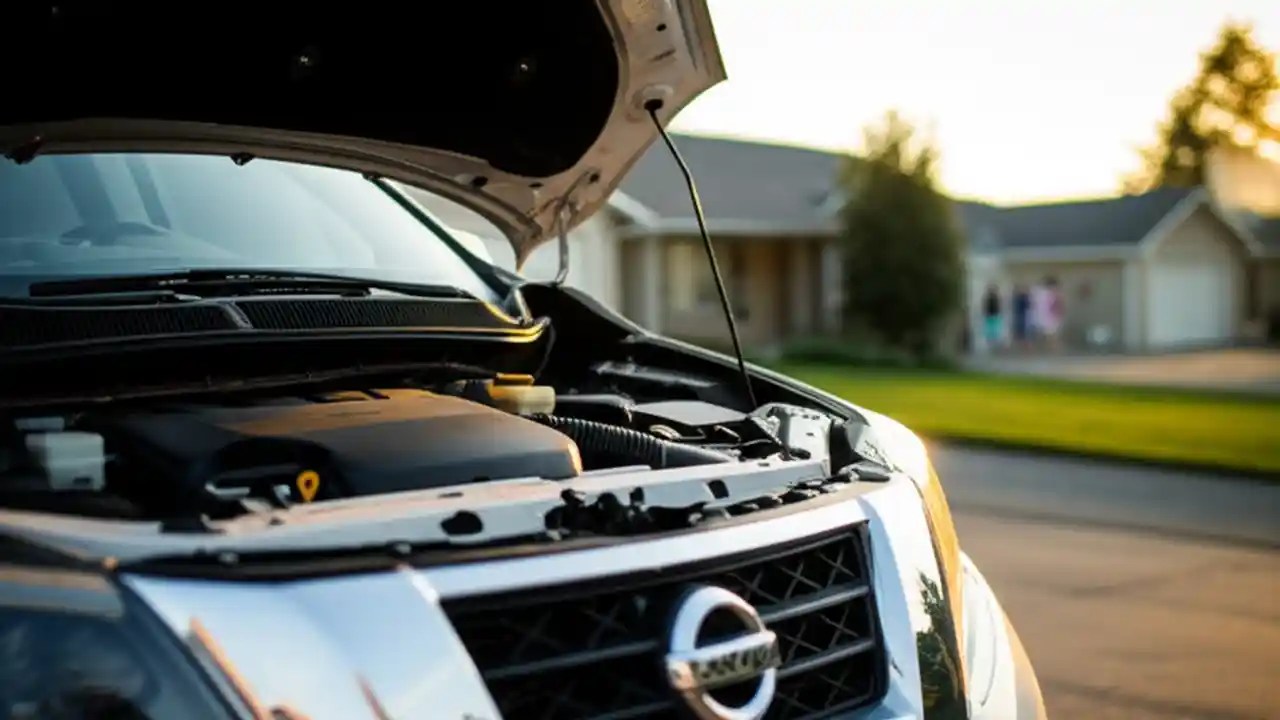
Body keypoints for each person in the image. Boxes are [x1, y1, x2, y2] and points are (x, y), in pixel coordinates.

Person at [1032, 276, 1064, 352]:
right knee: (1050, 335)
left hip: (1048, 317)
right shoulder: (1047, 293)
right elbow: (1055, 305)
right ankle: (1052, 348)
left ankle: (1052, 348)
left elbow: (1057, 306)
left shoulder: (1044, 293)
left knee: (1050, 335)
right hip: (1048, 317)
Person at [982, 284, 1003, 350]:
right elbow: (985, 307)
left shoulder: (995, 297)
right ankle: (991, 341)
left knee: (994, 328)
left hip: (994, 315)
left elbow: (999, 306)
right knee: (991, 328)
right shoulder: (989, 298)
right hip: (991, 315)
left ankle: (993, 341)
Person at [1011, 284, 1031, 350]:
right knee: (1020, 329)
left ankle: (1023, 343)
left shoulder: (1024, 297)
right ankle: (1021, 343)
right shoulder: (1019, 297)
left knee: (1023, 330)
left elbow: (1028, 306)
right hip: (1020, 315)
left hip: (1023, 315)